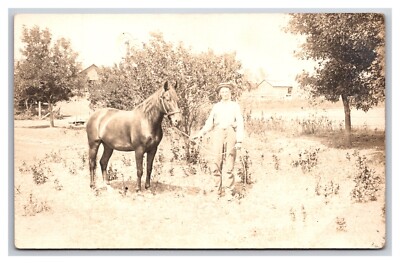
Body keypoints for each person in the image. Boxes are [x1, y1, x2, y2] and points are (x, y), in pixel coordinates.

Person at [191, 82, 244, 199]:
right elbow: (209, 123)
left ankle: (229, 191)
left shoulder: (235, 106)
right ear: (220, 94)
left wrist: (239, 140)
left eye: (227, 91)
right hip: (218, 132)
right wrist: (200, 134)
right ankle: (217, 191)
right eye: (222, 92)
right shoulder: (216, 106)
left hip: (230, 133)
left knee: (230, 162)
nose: (225, 94)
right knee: (216, 162)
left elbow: (240, 122)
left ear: (230, 93)